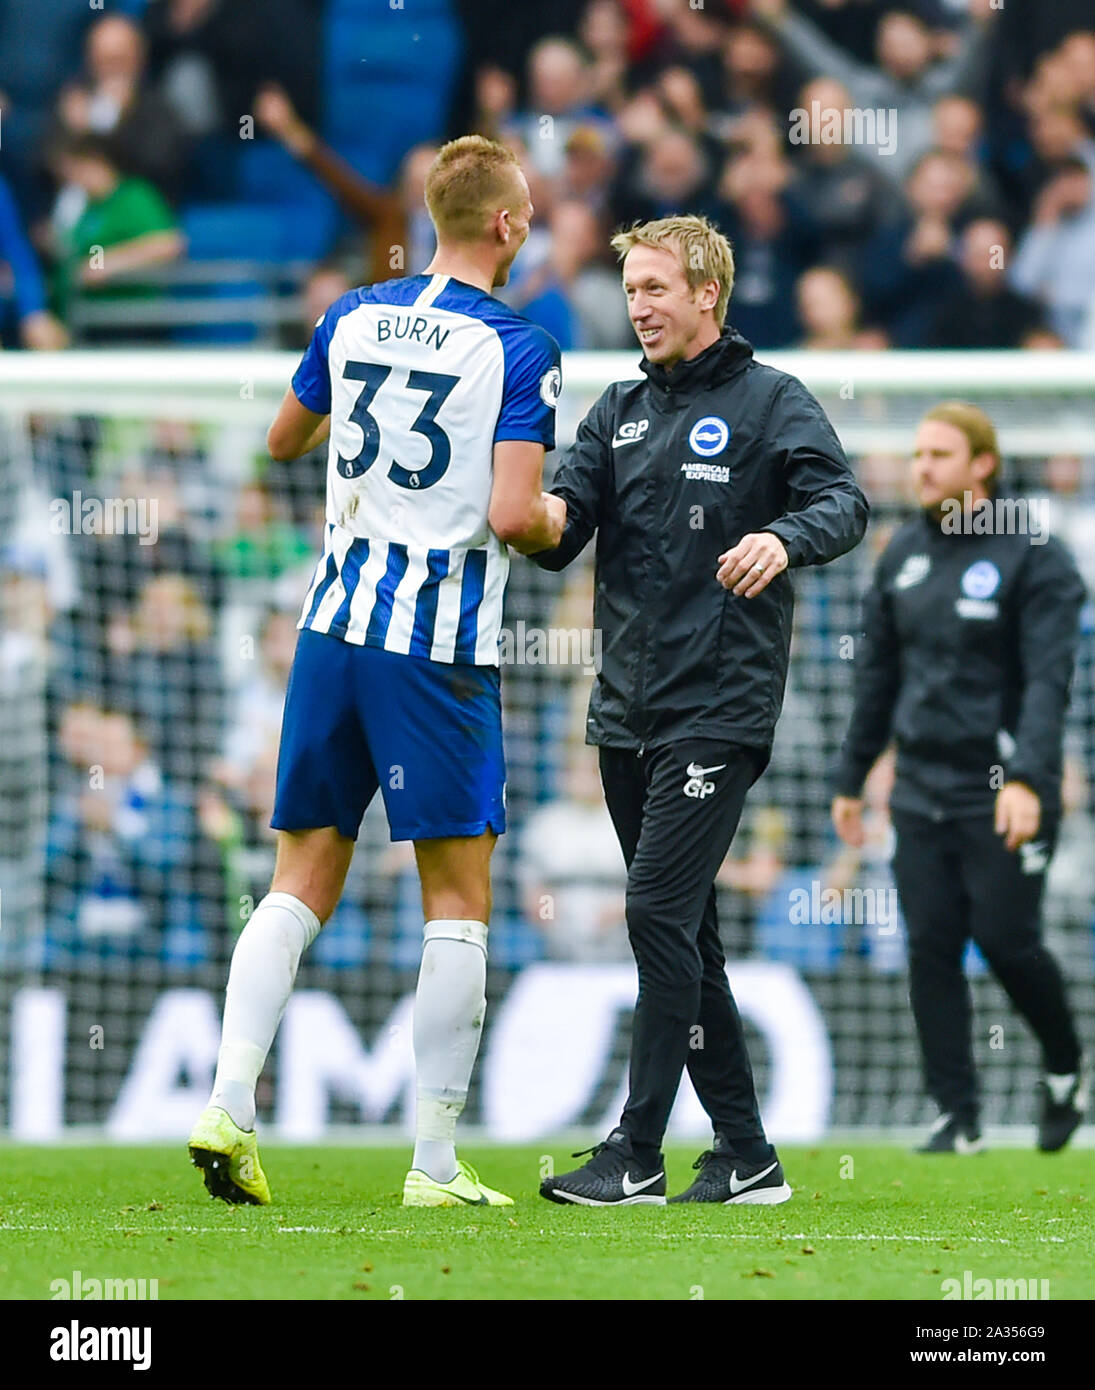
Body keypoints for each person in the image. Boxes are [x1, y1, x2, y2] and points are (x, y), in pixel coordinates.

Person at [188, 134, 565, 1208]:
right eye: (526, 210)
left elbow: (279, 441)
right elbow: (510, 515)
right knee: (458, 901)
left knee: (298, 878)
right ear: (504, 225)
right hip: (435, 651)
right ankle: (434, 1164)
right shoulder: (521, 347)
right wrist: (565, 519)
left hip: (329, 630)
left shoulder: (352, 314)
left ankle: (227, 1102)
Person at [532, 213, 868, 1206]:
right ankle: (747, 1153)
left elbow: (844, 501)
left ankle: (636, 1148)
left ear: (706, 292)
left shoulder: (772, 401)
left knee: (651, 910)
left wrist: (785, 536)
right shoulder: (617, 410)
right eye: (630, 290)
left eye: (655, 289)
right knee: (688, 934)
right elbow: (558, 531)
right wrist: (504, 505)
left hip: (719, 705)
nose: (639, 306)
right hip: (624, 713)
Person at [832, 402, 1088, 1154]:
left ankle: (1065, 1067)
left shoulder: (1034, 554)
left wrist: (1028, 780)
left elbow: (1048, 683)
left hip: (1003, 784)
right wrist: (851, 780)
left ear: (981, 465)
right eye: (916, 455)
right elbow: (876, 681)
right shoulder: (901, 553)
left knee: (1006, 940)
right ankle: (957, 1115)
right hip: (918, 786)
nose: (921, 468)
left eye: (938, 455)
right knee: (930, 946)